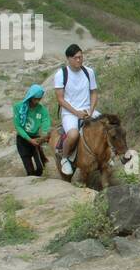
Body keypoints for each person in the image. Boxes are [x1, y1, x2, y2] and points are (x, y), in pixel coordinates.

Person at [53, 44, 99, 177]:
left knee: (108, 126)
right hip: (70, 113)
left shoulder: (88, 72)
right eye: (76, 58)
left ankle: (109, 156)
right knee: (73, 135)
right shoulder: (61, 74)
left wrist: (91, 110)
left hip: (87, 110)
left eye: (81, 57)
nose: (79, 60)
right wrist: (76, 113)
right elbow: (60, 99)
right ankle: (65, 158)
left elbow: (94, 93)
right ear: (69, 58)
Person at [13, 84, 52, 176]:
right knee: (30, 171)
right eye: (35, 99)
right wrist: (29, 140)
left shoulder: (42, 109)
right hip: (23, 139)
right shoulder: (18, 107)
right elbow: (18, 126)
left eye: (39, 99)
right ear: (30, 97)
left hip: (36, 139)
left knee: (40, 168)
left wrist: (45, 134)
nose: (37, 101)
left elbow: (46, 122)